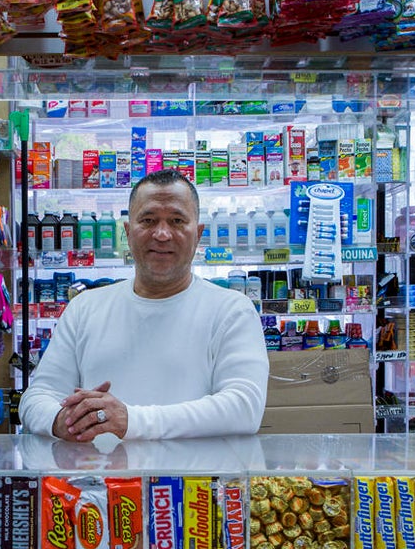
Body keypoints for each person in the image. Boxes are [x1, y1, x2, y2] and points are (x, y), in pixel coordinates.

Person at [19, 169, 269, 441]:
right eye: (148, 220)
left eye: (176, 220)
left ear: (198, 234)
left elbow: (244, 408)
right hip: (100, 481)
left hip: (191, 481)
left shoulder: (232, 310)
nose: (162, 234)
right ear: (128, 231)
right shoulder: (84, 308)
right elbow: (36, 398)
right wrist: (62, 420)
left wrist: (131, 421)